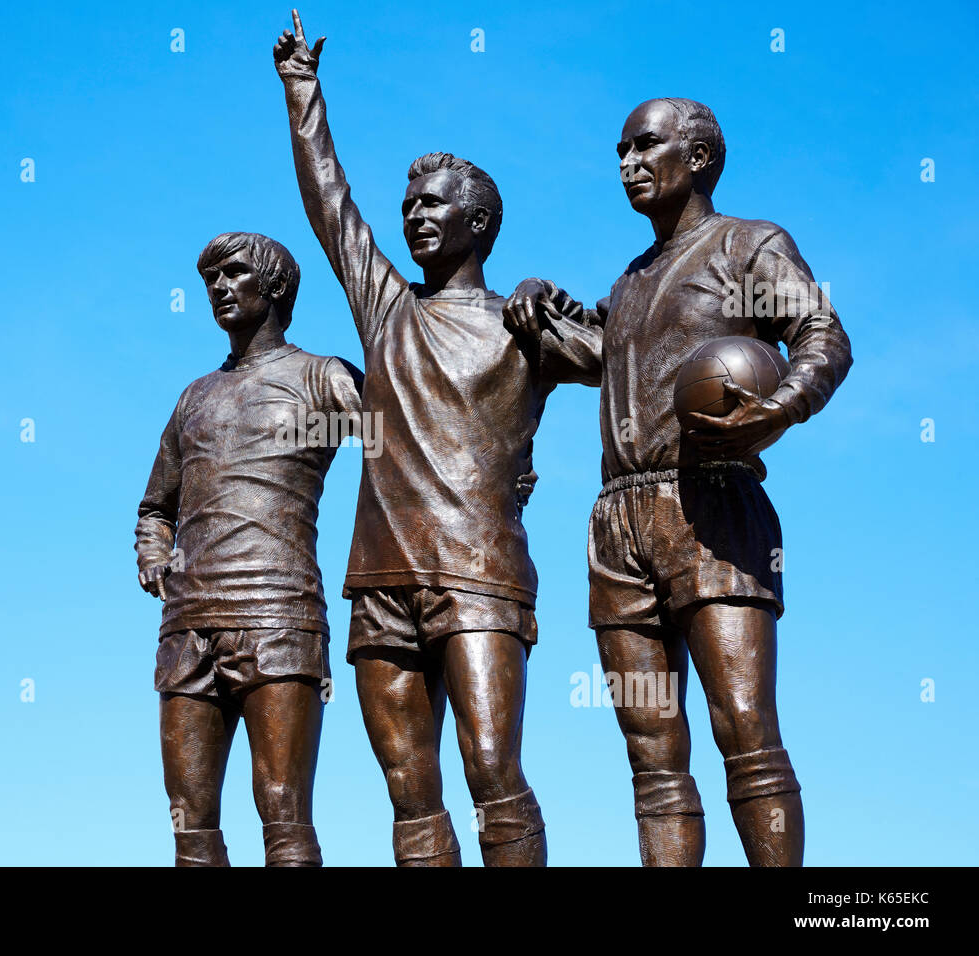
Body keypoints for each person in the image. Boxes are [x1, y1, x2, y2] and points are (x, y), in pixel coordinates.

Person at [274, 10, 589, 866]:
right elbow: (329, 201)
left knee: (493, 771)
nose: (413, 216)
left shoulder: (523, 325)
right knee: (411, 793)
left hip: (479, 576)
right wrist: (304, 91)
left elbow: (631, 360)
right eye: (407, 204)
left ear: (478, 223)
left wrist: (558, 303)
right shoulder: (388, 309)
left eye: (433, 204)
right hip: (379, 577)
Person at [505, 97, 853, 866]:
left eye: (645, 146)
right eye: (620, 150)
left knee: (743, 727)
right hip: (619, 526)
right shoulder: (630, 282)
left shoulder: (745, 246)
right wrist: (534, 299)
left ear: (697, 159)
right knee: (651, 754)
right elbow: (595, 351)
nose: (627, 163)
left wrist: (781, 407)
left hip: (713, 505)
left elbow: (823, 335)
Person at [136, 231, 363, 866]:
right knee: (189, 823)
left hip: (278, 617)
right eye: (211, 279)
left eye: (234, 274)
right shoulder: (194, 397)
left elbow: (405, 438)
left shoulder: (323, 377)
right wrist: (154, 553)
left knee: (284, 811)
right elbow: (156, 505)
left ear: (276, 288)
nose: (219, 288)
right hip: (187, 628)